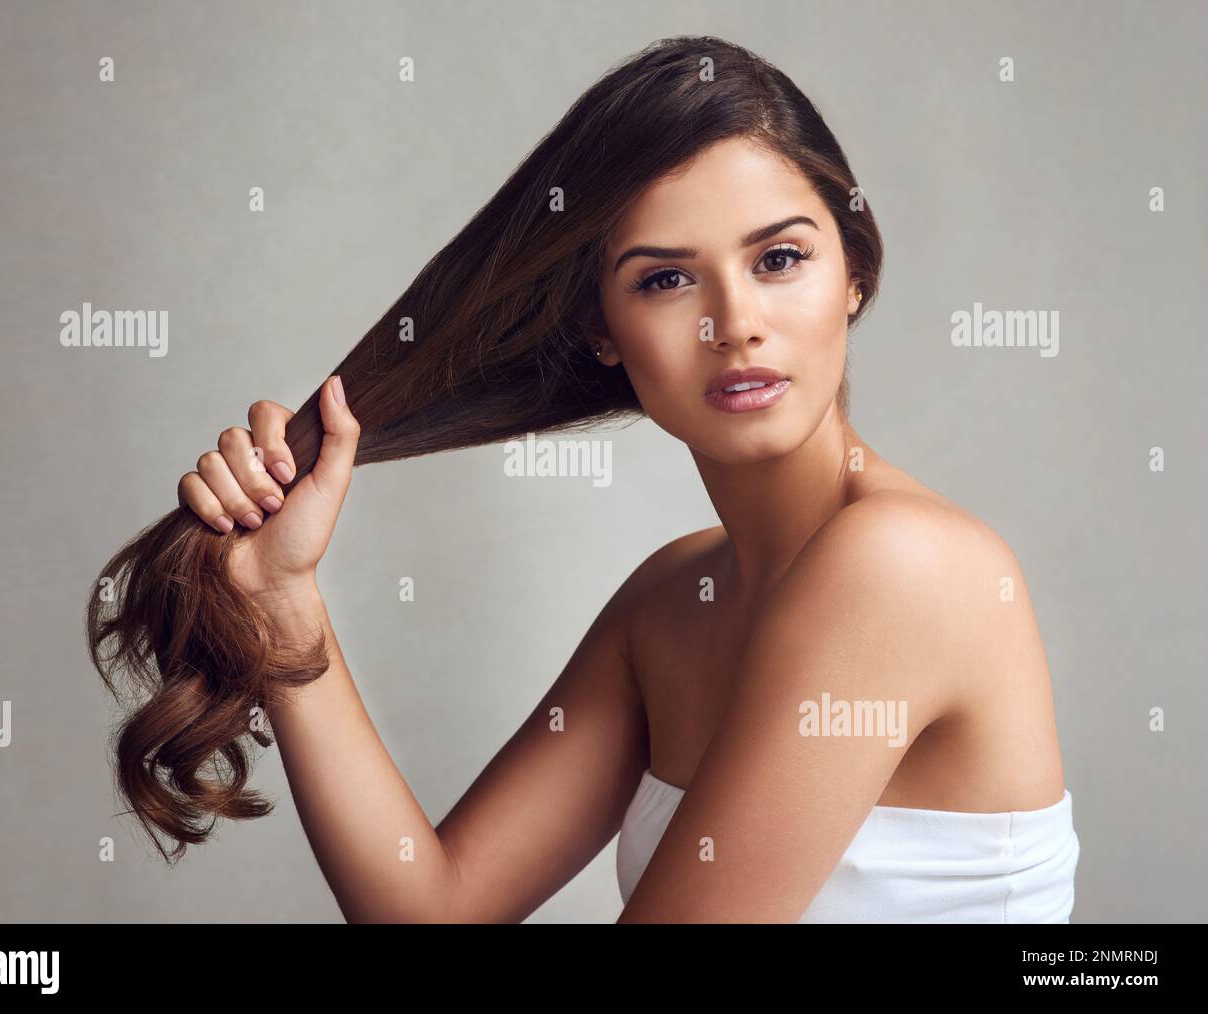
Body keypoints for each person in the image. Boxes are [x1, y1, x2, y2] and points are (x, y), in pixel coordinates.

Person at [91, 35, 1079, 923]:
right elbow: (432, 911)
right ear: (602, 331)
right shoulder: (668, 603)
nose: (733, 320)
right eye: (664, 278)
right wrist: (280, 602)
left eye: (778, 257)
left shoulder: (905, 568)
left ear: (852, 272)